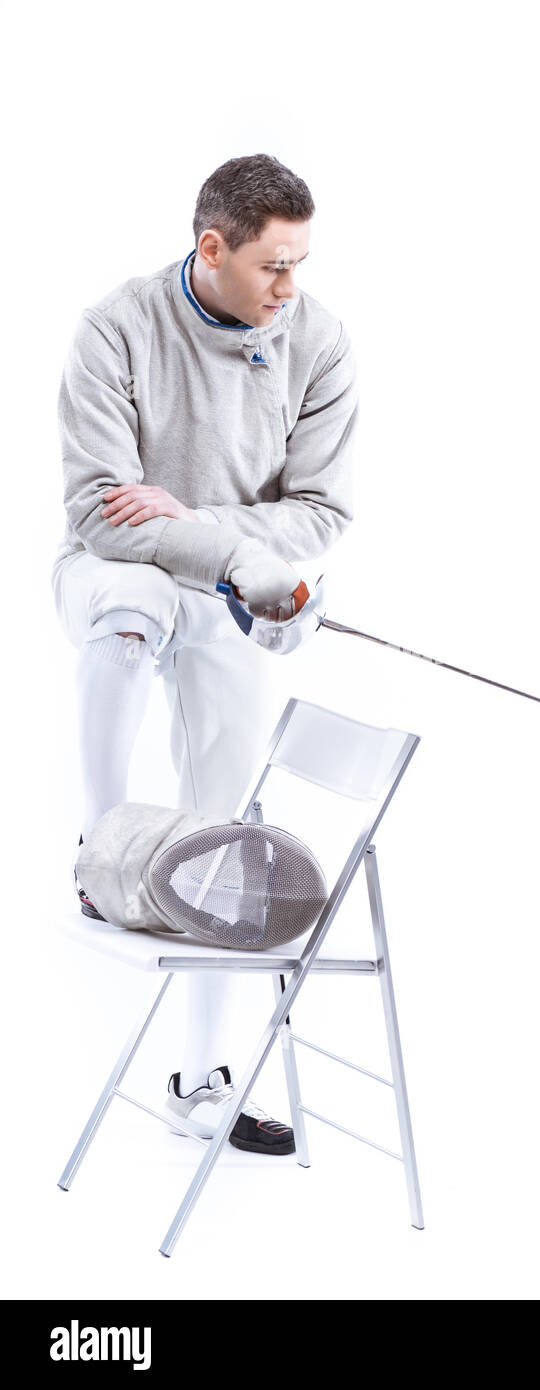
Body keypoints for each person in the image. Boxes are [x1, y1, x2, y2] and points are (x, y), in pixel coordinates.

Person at [53, 153, 359, 1155]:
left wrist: (219, 539)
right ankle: (99, 855)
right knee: (133, 600)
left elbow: (317, 516)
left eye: (301, 263)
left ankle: (199, 1081)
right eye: (274, 265)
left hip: (238, 604)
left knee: (221, 833)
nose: (290, 287)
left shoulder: (317, 342)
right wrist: (233, 544)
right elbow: (105, 517)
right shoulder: (118, 328)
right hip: (118, 575)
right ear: (212, 247)